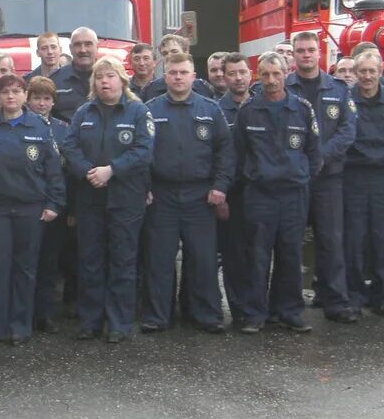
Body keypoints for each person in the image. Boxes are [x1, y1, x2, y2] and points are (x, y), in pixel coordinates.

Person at [0, 74, 66, 345]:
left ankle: (20, 326)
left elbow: (53, 171)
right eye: (5, 92)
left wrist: (54, 203)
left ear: (25, 95)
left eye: (16, 91)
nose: (11, 96)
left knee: (26, 268)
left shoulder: (39, 126)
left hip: (30, 208)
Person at [61, 56, 152, 342]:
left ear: (122, 80)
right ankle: (90, 321)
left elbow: (143, 150)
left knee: (122, 261)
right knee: (90, 261)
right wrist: (87, 171)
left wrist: (111, 170)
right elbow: (69, 145)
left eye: (110, 76)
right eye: (99, 77)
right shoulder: (83, 112)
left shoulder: (138, 112)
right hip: (90, 198)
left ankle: (119, 324)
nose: (104, 81)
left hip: (126, 199)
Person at [144, 52, 234, 334]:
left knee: (203, 258)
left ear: (194, 77)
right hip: (162, 195)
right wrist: (145, 187)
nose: (179, 77)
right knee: (159, 259)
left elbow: (225, 152)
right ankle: (158, 316)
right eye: (173, 72)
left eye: (184, 72)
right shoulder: (150, 110)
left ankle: (205, 314)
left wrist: (220, 186)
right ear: (165, 77)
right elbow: (140, 153)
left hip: (200, 196)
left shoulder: (210, 110)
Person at [234, 51, 322, 334]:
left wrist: (300, 177)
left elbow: (314, 153)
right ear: (258, 76)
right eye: (265, 74)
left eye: (276, 74)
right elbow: (238, 153)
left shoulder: (302, 109)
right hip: (259, 196)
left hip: (293, 195)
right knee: (257, 257)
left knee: (290, 256)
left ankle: (290, 312)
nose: (271, 80)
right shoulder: (248, 111)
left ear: (287, 73)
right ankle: (255, 314)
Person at [288, 30, 359, 324]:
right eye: (301, 50)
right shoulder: (284, 88)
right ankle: (289, 305)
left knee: (331, 240)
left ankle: (336, 302)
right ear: (293, 54)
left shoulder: (339, 90)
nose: (306, 55)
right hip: (293, 180)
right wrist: (304, 162)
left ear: (321, 53)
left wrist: (320, 157)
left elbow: (347, 130)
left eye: (311, 50)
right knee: (290, 243)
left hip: (328, 178)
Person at [344, 49, 384, 317]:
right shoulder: (346, 100)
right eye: (362, 71)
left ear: (381, 72)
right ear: (355, 74)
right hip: (354, 178)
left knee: (383, 239)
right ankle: (355, 296)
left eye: (372, 71)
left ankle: (382, 297)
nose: (367, 76)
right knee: (354, 240)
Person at [25, 76, 71, 333]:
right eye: (36, 98)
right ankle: (25, 311)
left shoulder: (64, 129)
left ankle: (45, 313)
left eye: (46, 99)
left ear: (53, 102)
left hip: (55, 204)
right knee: (26, 261)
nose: (41, 104)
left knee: (49, 262)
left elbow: (70, 169)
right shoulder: (20, 125)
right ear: (27, 99)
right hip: (27, 204)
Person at [215, 52, 253, 322]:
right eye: (232, 73)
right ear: (223, 77)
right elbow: (215, 157)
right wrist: (222, 195)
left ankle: (260, 308)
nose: (238, 78)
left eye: (242, 72)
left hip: (261, 192)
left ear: (251, 74)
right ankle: (240, 311)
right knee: (234, 255)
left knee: (260, 254)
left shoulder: (263, 105)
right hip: (233, 192)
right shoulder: (215, 110)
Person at [49, 26, 99, 122]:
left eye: (88, 44)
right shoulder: (54, 81)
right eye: (77, 45)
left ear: (97, 47)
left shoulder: (110, 79)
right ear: (70, 49)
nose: (83, 50)